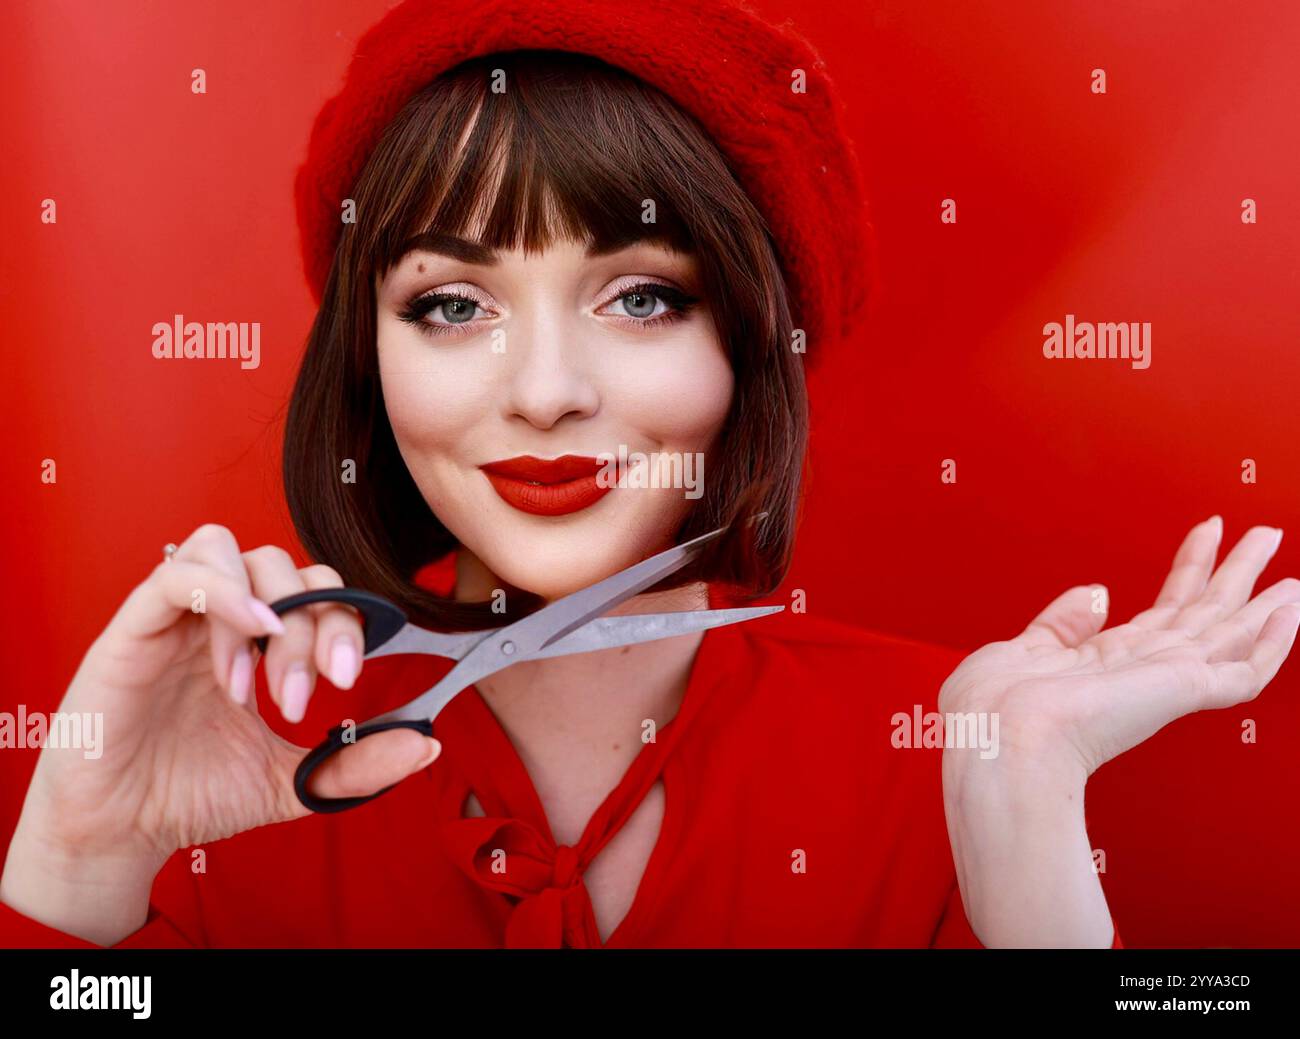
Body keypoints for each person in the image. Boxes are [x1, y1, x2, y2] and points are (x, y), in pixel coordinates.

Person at [2, 0, 1296, 950]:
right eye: (453, 305)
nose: (548, 390)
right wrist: (81, 855)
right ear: (368, 363)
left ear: (747, 349)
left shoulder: (946, 744)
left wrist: (1021, 828)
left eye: (639, 297)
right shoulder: (245, 755)